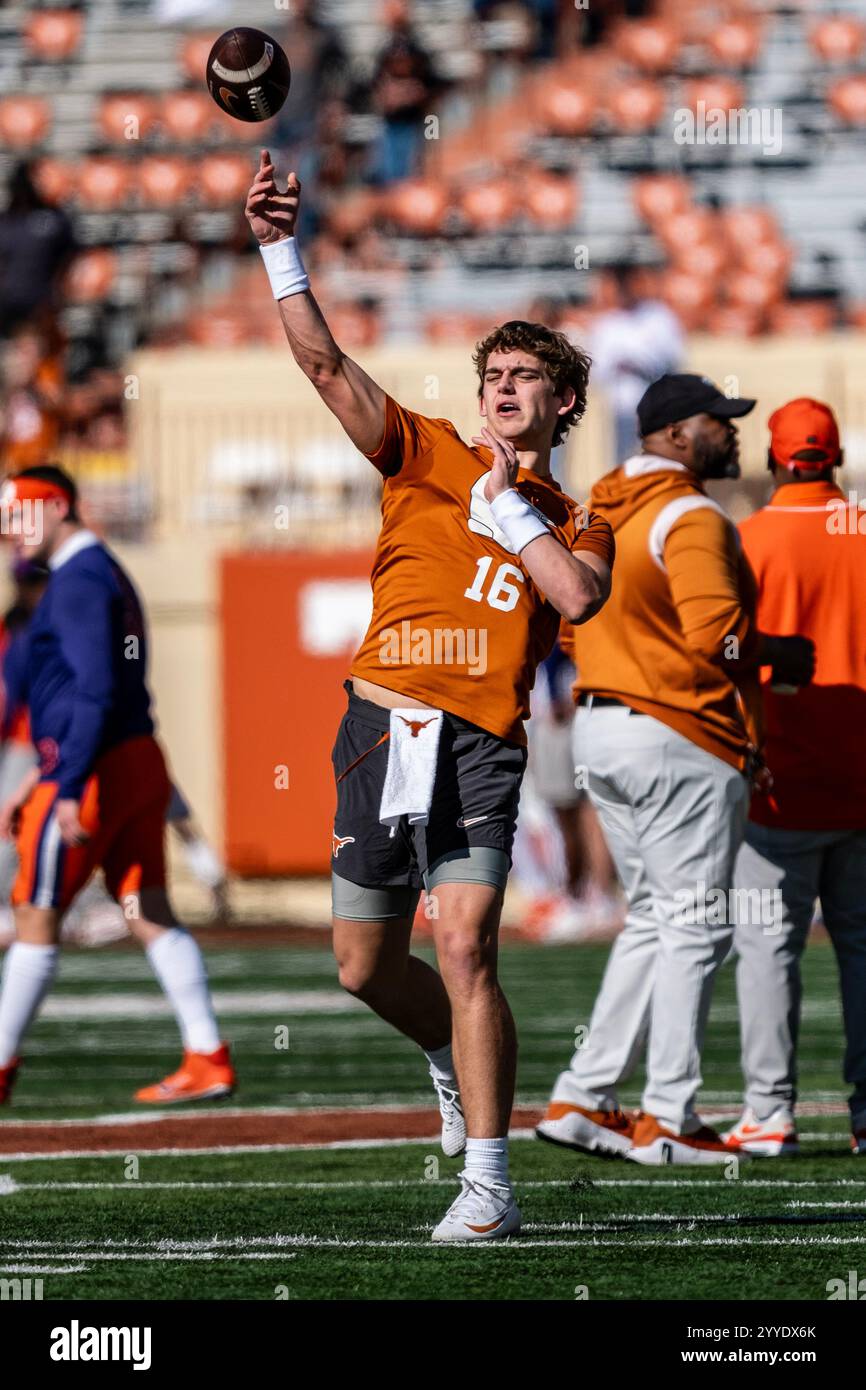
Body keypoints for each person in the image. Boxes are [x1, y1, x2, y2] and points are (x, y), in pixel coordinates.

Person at [244, 150, 614, 1239]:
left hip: (480, 740)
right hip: (378, 720)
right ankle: (441, 1058)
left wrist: (510, 513)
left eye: (524, 377)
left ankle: (490, 1183)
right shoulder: (426, 452)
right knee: (361, 964)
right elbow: (326, 368)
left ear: (563, 400)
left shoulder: (571, 512)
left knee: (464, 948)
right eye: (492, 373)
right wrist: (277, 247)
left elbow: (576, 598)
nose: (501, 387)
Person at [536, 373, 815, 1164]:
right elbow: (714, 637)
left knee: (657, 918)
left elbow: (568, 629)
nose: (730, 434)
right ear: (674, 433)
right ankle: (668, 1117)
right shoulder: (690, 513)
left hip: (603, 727)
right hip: (677, 732)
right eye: (717, 422)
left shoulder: (603, 503)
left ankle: (584, 1096)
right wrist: (781, 655)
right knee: (695, 924)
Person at [0, 465, 235, 1106]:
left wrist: (65, 780)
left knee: (35, 918)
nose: (8, 532)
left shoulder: (76, 579)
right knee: (149, 909)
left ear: (53, 507)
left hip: (94, 768)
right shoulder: (100, 569)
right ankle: (206, 1053)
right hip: (135, 760)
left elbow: (94, 688)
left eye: (17, 515)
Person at [723, 399, 866, 1158]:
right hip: (862, 776)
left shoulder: (745, 541)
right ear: (835, 456)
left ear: (777, 460)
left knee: (768, 949)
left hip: (775, 778)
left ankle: (771, 1112)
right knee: (863, 950)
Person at [588, 265, 684, 465]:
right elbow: (596, 370)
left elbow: (674, 359)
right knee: (624, 463)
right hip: (621, 409)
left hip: (656, 408)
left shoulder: (659, 317)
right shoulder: (606, 324)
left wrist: (640, 364)